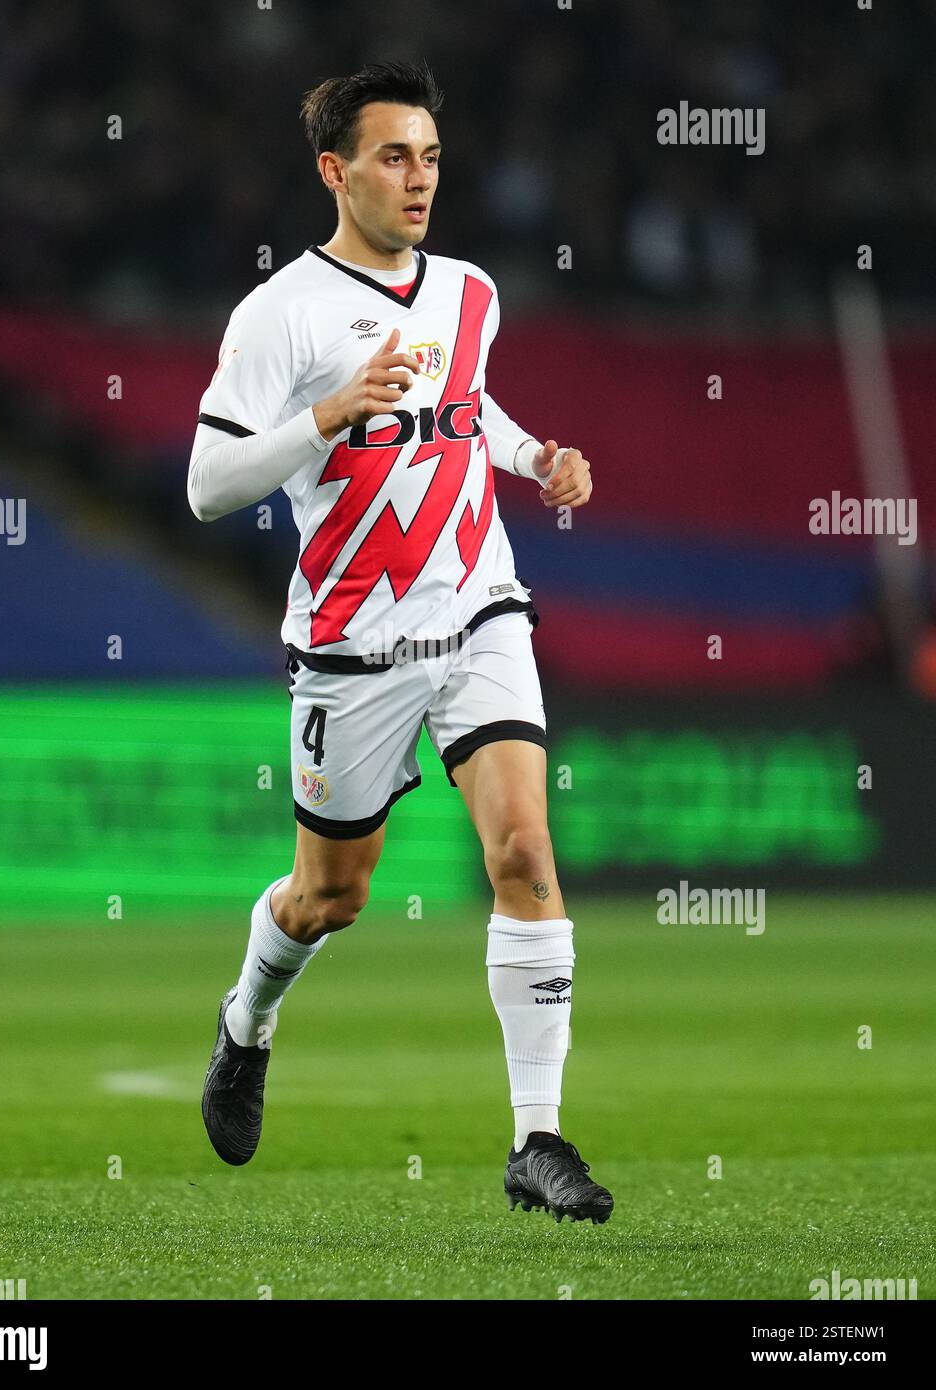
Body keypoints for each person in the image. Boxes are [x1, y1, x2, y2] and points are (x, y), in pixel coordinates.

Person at [188, 61, 611, 1224]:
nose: (417, 176)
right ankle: (246, 1021)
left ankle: (536, 1140)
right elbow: (206, 485)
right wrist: (323, 415)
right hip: (350, 645)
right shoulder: (279, 315)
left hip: (479, 608)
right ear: (334, 171)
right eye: (391, 156)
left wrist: (534, 461)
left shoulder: (469, 291)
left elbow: (472, 408)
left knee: (522, 849)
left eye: (428, 155)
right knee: (328, 898)